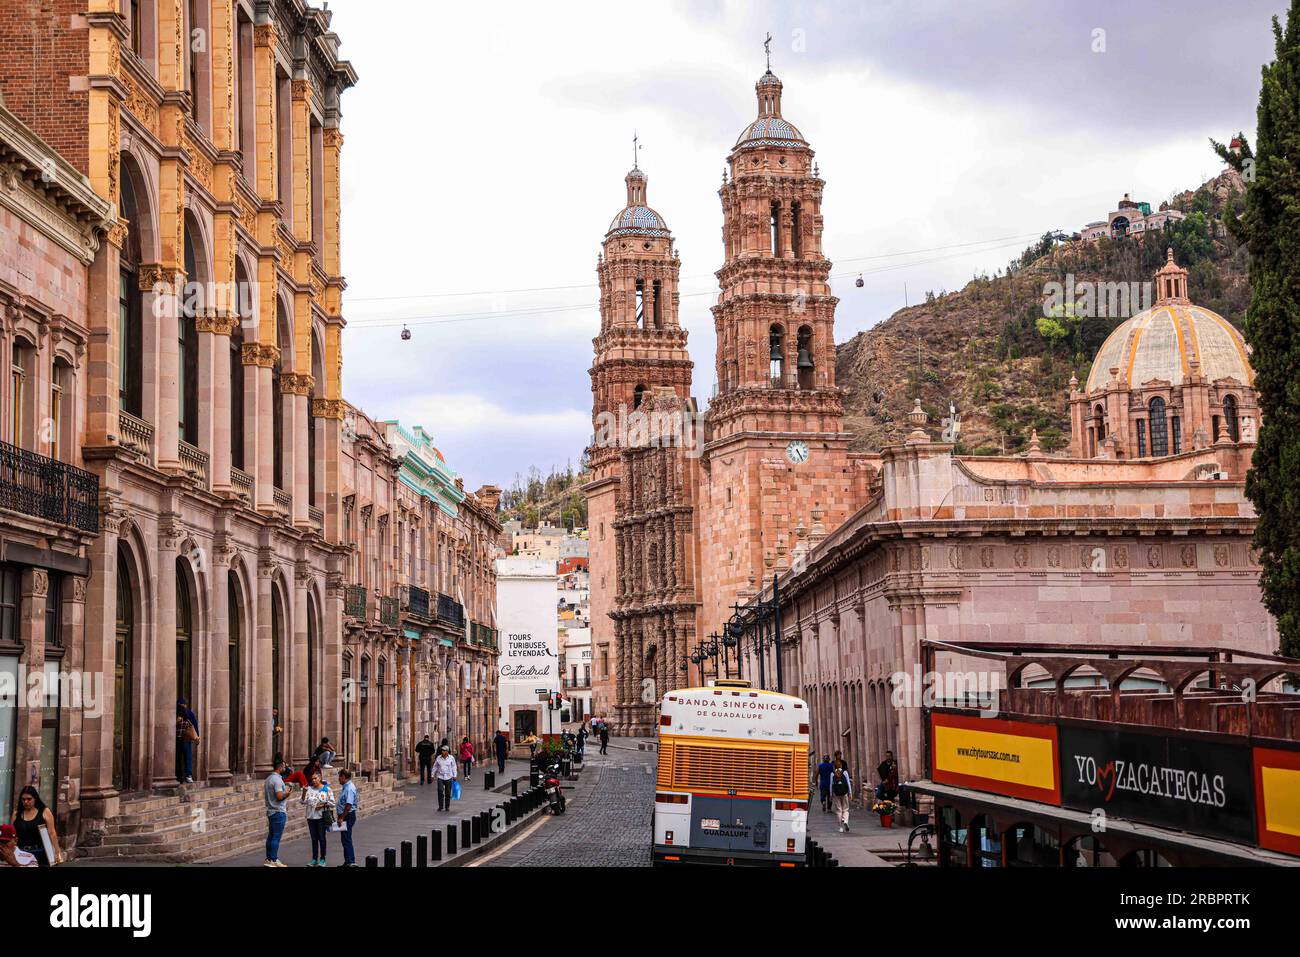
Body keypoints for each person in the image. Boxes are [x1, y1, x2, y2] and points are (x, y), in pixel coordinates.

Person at [11, 786, 61, 866]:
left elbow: (52, 833)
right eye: (23, 799)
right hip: (21, 854)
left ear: (35, 798)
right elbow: (12, 834)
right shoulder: (16, 813)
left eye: (29, 799)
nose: (26, 802)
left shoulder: (44, 811)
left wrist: (57, 852)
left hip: (40, 853)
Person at [301, 769, 333, 867]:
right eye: (312, 779)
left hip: (321, 818)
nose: (313, 780)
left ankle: (322, 859)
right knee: (314, 839)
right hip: (311, 818)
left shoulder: (326, 789)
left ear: (320, 778)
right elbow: (302, 801)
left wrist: (323, 805)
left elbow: (332, 803)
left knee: (322, 838)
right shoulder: (309, 789)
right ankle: (314, 859)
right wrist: (304, 792)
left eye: (315, 778)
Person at [264, 754, 290, 867]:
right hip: (278, 811)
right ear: (280, 767)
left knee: (271, 836)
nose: (285, 768)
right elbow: (279, 796)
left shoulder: (269, 778)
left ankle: (269, 858)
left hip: (270, 810)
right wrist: (287, 793)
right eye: (284, 766)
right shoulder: (277, 780)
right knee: (276, 837)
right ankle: (274, 860)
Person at [336, 768, 358, 867]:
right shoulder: (346, 786)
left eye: (339, 777)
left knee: (346, 838)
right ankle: (347, 861)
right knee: (345, 839)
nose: (338, 779)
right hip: (345, 815)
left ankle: (350, 861)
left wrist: (342, 817)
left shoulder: (349, 788)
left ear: (343, 777)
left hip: (348, 816)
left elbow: (348, 804)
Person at [176, 698, 199, 784]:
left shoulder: (182, 713)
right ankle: (187, 775)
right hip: (185, 739)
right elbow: (194, 724)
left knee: (180, 757)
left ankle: (181, 775)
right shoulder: (188, 713)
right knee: (187, 757)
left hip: (179, 739)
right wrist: (197, 736)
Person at [433, 744, 458, 812]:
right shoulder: (438, 758)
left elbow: (454, 767)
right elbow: (435, 766)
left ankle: (447, 806)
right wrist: (432, 775)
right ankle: (440, 806)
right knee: (440, 791)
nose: (442, 752)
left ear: (447, 751)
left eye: (444, 750)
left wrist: (454, 775)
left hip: (449, 777)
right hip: (440, 776)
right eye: (442, 750)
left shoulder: (451, 758)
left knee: (448, 792)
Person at [830, 765, 853, 832]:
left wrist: (831, 794)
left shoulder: (832, 773)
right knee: (846, 809)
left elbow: (831, 784)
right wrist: (850, 793)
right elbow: (848, 783)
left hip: (836, 794)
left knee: (839, 810)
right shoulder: (845, 772)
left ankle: (840, 827)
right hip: (844, 793)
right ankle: (845, 820)